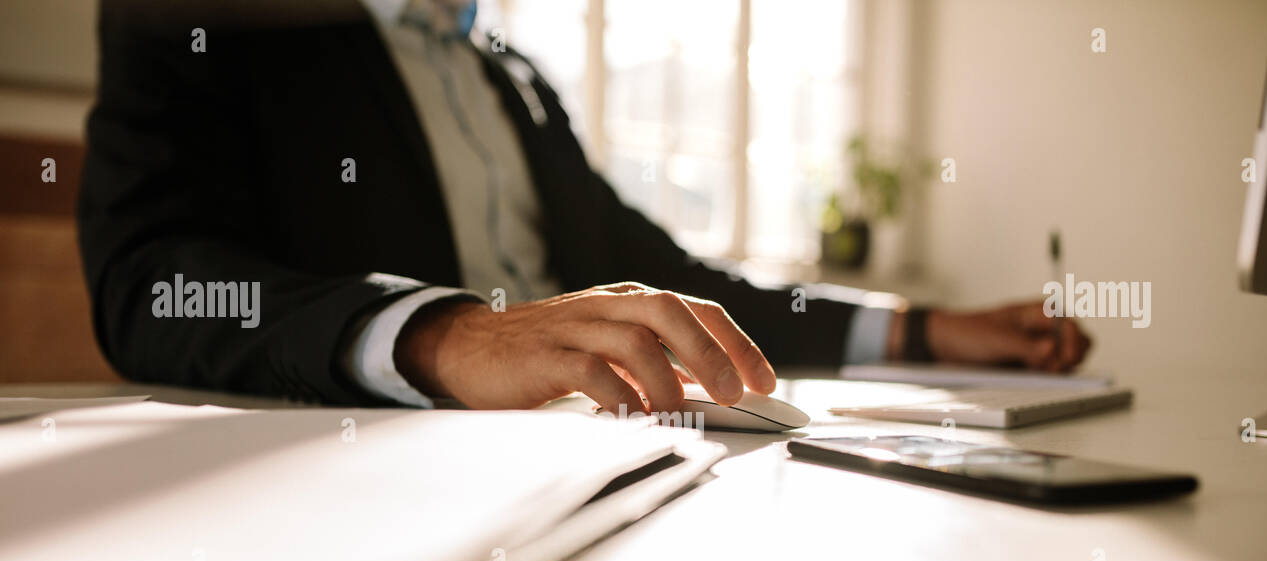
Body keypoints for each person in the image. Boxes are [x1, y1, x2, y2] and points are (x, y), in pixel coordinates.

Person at [78, 0, 1090, 414]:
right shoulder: (218, 19)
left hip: (594, 465)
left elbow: (682, 292)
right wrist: (440, 335)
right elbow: (149, 286)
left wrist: (919, 327)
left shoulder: (514, 80)